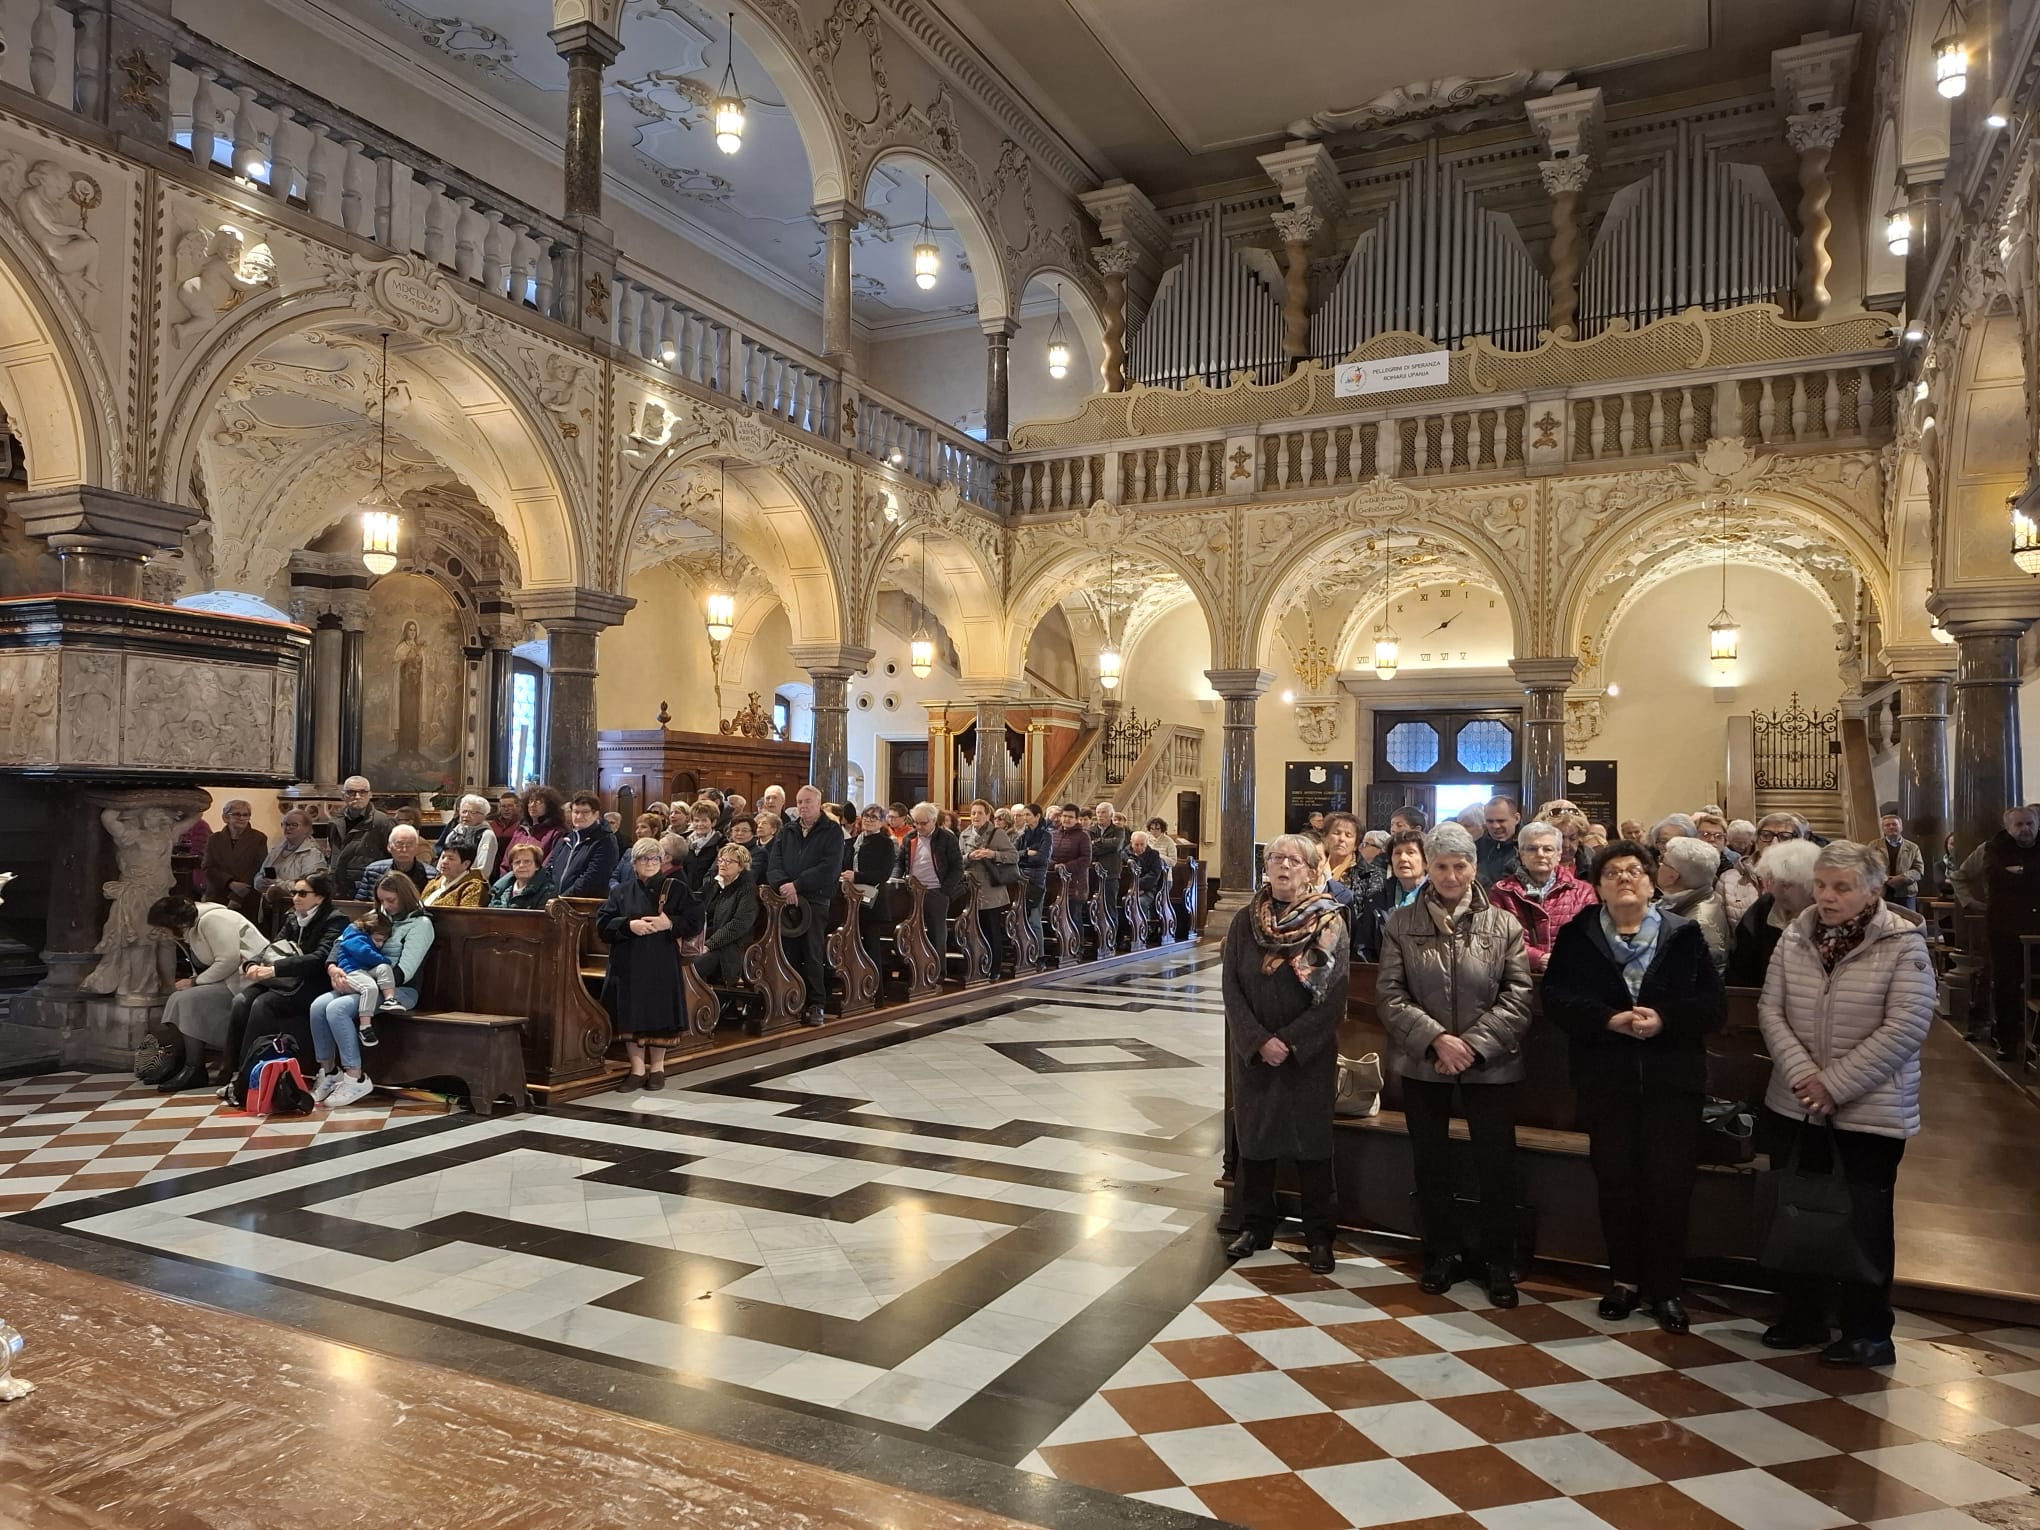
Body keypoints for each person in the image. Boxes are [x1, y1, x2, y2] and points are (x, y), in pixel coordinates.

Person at [1758, 840, 1935, 1367]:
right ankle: (1804, 1313)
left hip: (1871, 1107)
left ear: (1873, 890)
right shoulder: (1796, 934)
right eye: (1821, 884)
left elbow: (1907, 1025)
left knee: (1864, 1217)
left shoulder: (1904, 944)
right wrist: (1803, 1075)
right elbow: (1772, 1011)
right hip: (1797, 1100)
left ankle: (1868, 1329)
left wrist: (1835, 1083)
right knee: (1802, 1207)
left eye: (1842, 887)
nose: (1827, 896)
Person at [1543, 840, 1724, 1334]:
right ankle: (1623, 1280)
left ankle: (1666, 1288)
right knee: (1616, 1182)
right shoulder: (1579, 935)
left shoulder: (1683, 934)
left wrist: (1663, 1018)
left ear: (1651, 881)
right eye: (1613, 873)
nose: (1625, 879)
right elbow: (1556, 998)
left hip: (1671, 1082)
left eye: (1634, 871)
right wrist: (1608, 1019)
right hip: (1607, 1080)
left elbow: (1713, 1006)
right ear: (1598, 886)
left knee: (1669, 1186)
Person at [1375, 823, 1533, 1306]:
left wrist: (1472, 1045)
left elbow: (1519, 996)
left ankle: (1497, 1260)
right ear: (1428, 865)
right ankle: (1440, 1252)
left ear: (1473, 867)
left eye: (1459, 865)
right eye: (1440, 865)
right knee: (1431, 1162)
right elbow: (1389, 994)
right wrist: (1438, 1040)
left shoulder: (1504, 924)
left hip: (1492, 1064)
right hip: (1425, 1062)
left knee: (1495, 1164)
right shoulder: (1401, 923)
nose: (1449, 875)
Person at [1222, 832, 1349, 1275]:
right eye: (1274, 858)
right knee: (1255, 1143)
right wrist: (1258, 1040)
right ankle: (1255, 1226)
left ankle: (1319, 1235)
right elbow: (1232, 988)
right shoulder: (1245, 920)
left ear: (1312, 871)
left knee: (1311, 1146)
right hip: (1255, 1052)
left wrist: (1290, 1042)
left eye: (1291, 860)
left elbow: (1333, 998)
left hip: (1307, 1055)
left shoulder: (1328, 921)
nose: (1280, 866)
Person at [305, 873, 435, 1109]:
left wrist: (360, 982)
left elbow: (404, 971)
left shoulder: (421, 924)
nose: (386, 906)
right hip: (360, 981)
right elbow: (341, 942)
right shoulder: (377, 916)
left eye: (391, 900)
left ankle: (356, 1077)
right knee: (317, 1006)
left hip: (397, 991)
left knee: (337, 1008)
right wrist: (334, 970)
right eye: (382, 901)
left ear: (405, 898)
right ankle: (329, 1071)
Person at [226, 870, 353, 1079]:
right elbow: (274, 946)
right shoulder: (293, 917)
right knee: (241, 1000)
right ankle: (229, 1072)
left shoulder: (335, 920)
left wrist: (275, 969)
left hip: (313, 983)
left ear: (320, 896)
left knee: (262, 1004)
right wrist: (252, 964)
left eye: (302, 894)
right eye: (294, 892)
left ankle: (248, 1075)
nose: (295, 898)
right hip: (286, 982)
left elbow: (319, 958)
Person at [599, 838, 703, 1090]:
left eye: (654, 858)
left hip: (660, 961)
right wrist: (628, 925)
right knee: (630, 1015)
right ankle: (636, 1070)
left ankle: (657, 1069)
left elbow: (696, 918)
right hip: (628, 962)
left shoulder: (675, 888)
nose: (648, 863)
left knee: (659, 1013)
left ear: (662, 861)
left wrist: (670, 924)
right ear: (634, 863)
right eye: (643, 859)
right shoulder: (620, 891)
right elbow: (602, 925)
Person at [147, 893, 268, 1092]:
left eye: (162, 928)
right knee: (179, 998)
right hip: (229, 980)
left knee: (187, 1000)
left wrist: (196, 982)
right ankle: (181, 1062)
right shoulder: (193, 928)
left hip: (245, 981)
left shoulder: (213, 920)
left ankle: (194, 1068)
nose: (161, 934)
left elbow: (228, 960)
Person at [1952, 806, 2040, 1063]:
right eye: (2019, 825)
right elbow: (1976, 876)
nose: (2025, 830)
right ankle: (2007, 1040)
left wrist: (2020, 873)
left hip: (2037, 925)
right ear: (2008, 827)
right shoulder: (1992, 848)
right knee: (2006, 984)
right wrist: (1970, 902)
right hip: (2003, 925)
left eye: (2030, 824)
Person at [767, 785, 845, 1027]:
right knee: (787, 952)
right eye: (799, 801)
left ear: (818, 803)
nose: (802, 806)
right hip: (786, 900)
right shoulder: (788, 830)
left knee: (812, 953)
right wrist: (782, 885)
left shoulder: (831, 831)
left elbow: (829, 867)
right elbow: (775, 862)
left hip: (814, 899)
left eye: (808, 802)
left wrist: (798, 885)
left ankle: (816, 1004)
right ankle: (790, 1001)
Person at [1488, 820, 1597, 972]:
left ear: (1559, 854)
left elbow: (1593, 938)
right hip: (1519, 978)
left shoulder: (1583, 891)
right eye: (1532, 849)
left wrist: (1562, 959)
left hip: (1570, 977)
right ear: (1521, 854)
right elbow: (1495, 939)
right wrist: (1536, 959)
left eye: (1548, 849)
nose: (1540, 854)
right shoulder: (1501, 892)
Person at [1727, 839, 1818, 988]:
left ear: (1810, 884)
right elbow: (1741, 968)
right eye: (1773, 881)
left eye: (1787, 884)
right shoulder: (1764, 907)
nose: (1776, 890)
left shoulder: (1829, 918)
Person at [897, 799, 965, 958]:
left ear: (934, 820)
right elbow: (900, 862)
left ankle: (937, 973)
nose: (919, 827)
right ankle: (916, 971)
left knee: (936, 934)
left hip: (936, 891)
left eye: (923, 823)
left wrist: (944, 890)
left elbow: (957, 867)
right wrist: (898, 880)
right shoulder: (910, 838)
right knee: (911, 932)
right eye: (916, 823)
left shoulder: (947, 838)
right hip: (912, 891)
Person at [327, 908, 405, 1046]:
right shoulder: (355, 938)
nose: (380, 944)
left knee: (384, 969)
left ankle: (390, 999)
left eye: (383, 941)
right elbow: (364, 953)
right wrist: (385, 960)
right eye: (378, 940)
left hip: (364, 971)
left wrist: (385, 964)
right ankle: (365, 1027)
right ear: (367, 932)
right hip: (350, 972)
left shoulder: (367, 938)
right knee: (370, 988)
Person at [960, 798, 1018, 975]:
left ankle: (994, 967)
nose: (976, 816)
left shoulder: (997, 834)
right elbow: (957, 860)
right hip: (971, 888)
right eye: (973, 813)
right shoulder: (964, 834)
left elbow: (1014, 856)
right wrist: (969, 857)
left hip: (991, 888)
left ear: (988, 816)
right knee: (972, 930)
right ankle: (977, 965)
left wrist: (992, 854)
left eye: (979, 813)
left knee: (991, 929)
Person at [1656, 836, 1730, 972]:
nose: (1658, 864)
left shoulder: (1697, 926)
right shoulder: (1692, 899)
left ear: (1672, 877)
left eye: (1663, 861)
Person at [698, 842, 761, 991]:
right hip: (707, 941)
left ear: (741, 866)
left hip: (728, 948)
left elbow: (738, 925)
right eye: (721, 860)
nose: (723, 864)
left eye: (729, 861)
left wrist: (709, 944)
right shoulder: (715, 884)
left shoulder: (747, 889)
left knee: (692, 967)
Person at [254, 809, 325, 933]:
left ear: (307, 828)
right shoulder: (276, 850)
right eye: (285, 824)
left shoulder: (312, 854)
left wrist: (279, 884)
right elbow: (260, 873)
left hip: (294, 911)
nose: (288, 828)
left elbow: (310, 885)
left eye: (294, 825)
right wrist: (259, 881)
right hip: (270, 909)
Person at [326, 777, 394, 899]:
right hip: (339, 887)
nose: (357, 796)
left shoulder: (382, 822)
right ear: (343, 795)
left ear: (370, 795)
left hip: (369, 887)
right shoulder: (335, 821)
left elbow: (392, 856)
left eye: (362, 792)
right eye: (351, 792)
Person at [199, 800, 267, 921]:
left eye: (245, 815)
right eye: (236, 814)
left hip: (246, 897)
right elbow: (208, 867)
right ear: (225, 817)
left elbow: (258, 867)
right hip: (219, 894)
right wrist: (230, 883)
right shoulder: (214, 839)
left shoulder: (259, 838)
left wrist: (237, 896)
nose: (242, 818)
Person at [548, 792, 619, 898]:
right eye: (576, 812)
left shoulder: (605, 840)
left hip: (585, 904)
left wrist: (563, 899)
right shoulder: (565, 839)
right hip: (557, 903)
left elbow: (592, 878)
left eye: (585, 812)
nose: (579, 816)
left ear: (595, 815)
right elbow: (550, 869)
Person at [354, 823, 430, 901]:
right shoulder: (372, 871)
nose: (404, 850)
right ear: (389, 847)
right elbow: (360, 905)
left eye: (409, 845)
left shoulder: (430, 874)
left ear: (417, 848)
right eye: (399, 845)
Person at [1015, 803, 1053, 955]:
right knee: (1020, 919)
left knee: (1034, 920)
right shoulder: (1023, 836)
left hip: (1037, 881)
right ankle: (1025, 953)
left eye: (1028, 815)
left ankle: (1039, 955)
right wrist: (1026, 853)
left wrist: (1024, 856)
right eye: (1023, 815)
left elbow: (1041, 858)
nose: (1025, 818)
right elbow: (1013, 855)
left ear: (1037, 816)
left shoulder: (1046, 836)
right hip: (1021, 879)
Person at [437, 794, 500, 881]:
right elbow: (442, 861)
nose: (466, 815)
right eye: (464, 811)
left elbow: (482, 869)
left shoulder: (487, 835)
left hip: (471, 883)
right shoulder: (454, 832)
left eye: (472, 812)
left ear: (484, 815)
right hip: (448, 880)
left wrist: (461, 882)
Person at [1875, 812, 1924, 911]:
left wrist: (1902, 878)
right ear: (1883, 829)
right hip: (1881, 892)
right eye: (1887, 825)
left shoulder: (1913, 848)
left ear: (1901, 827)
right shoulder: (1873, 846)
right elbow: (1867, 867)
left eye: (1894, 824)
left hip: (1906, 893)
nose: (1891, 827)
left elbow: (1919, 871)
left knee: (1908, 924)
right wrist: (1884, 878)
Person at [489, 842, 557, 908]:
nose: (521, 865)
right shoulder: (499, 891)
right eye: (517, 862)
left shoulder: (547, 891)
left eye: (527, 861)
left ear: (537, 866)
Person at [420, 839, 487, 907]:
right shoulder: (433, 883)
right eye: (443, 857)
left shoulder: (474, 888)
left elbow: (467, 916)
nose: (444, 862)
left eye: (451, 858)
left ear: (466, 864)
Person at [679, 800, 725, 891]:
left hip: (710, 892)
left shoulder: (722, 843)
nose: (699, 824)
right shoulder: (683, 841)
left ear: (713, 822)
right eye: (696, 820)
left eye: (704, 820)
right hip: (686, 892)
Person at [512, 785, 567, 861]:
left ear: (549, 806)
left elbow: (549, 862)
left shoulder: (556, 833)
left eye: (539, 801)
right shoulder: (520, 831)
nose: (532, 805)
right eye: (530, 801)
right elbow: (507, 860)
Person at [1478, 796, 1521, 886]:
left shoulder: (1530, 847)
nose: (1495, 826)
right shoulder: (1476, 847)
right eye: (1490, 821)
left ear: (1516, 819)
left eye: (1501, 821)